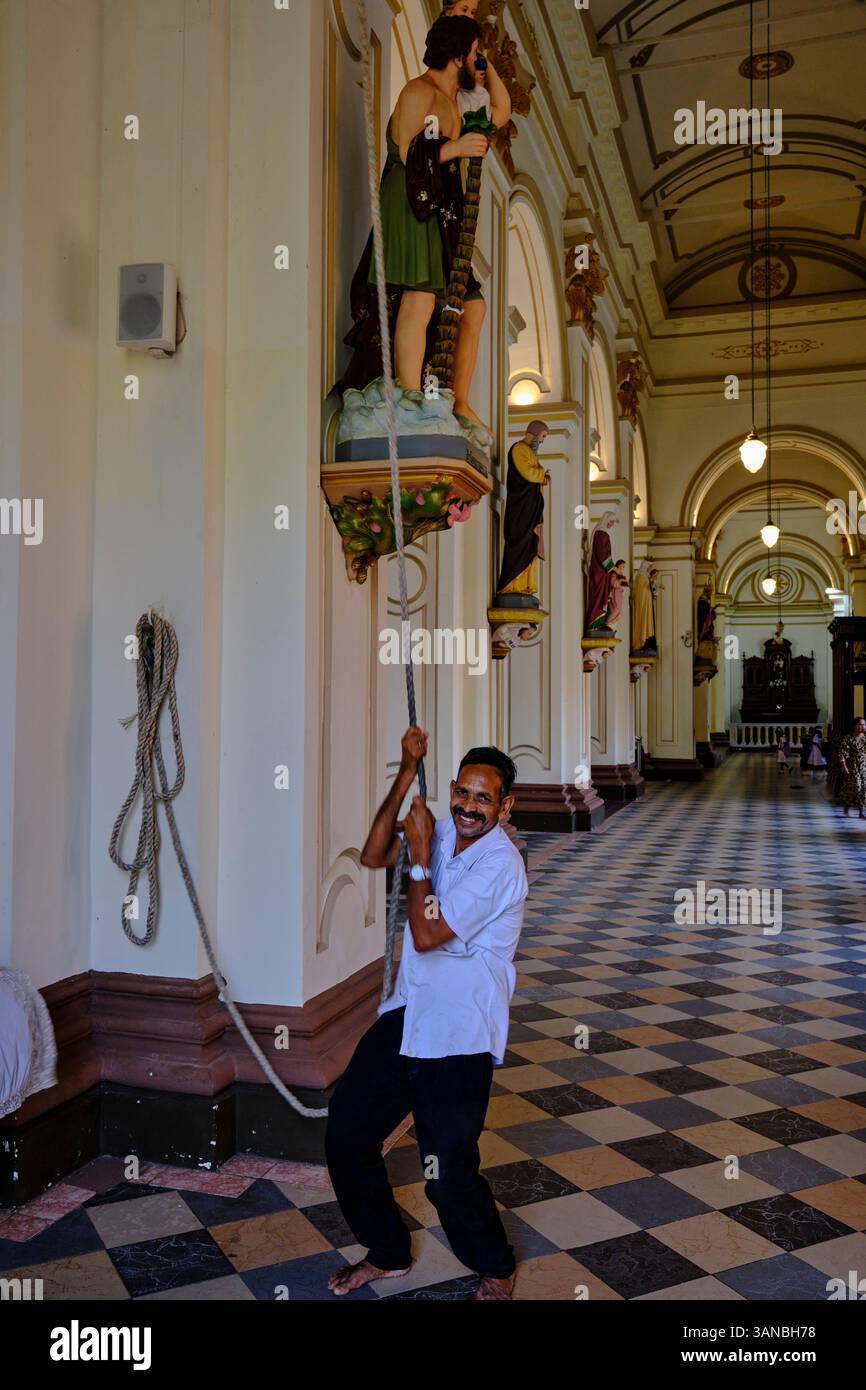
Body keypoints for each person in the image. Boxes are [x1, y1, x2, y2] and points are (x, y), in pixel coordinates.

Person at [325, 726, 528, 1301]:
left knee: (447, 1171)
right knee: (348, 1134)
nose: (469, 806)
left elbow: (428, 931)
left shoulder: (502, 864)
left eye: (484, 798)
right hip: (410, 1014)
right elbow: (370, 854)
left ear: (504, 805)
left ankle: (496, 1265)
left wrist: (418, 859)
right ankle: (386, 1249)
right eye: (462, 793)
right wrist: (406, 771)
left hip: (460, 1031)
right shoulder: (438, 834)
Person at [339, 15, 510, 434]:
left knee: (473, 305)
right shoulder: (419, 90)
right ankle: (411, 393)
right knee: (420, 298)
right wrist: (457, 148)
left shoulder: (456, 101)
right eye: (472, 54)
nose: (477, 61)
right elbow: (405, 147)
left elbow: (502, 113)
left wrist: (489, 66)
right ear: (456, 56)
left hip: (440, 212)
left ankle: (462, 400)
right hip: (410, 203)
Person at [495, 421, 550, 599]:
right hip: (520, 508)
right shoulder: (518, 449)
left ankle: (525, 585)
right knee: (520, 542)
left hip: (530, 506)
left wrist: (541, 476)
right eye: (542, 437)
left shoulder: (530, 453)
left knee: (530, 544)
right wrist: (541, 474)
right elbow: (527, 473)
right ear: (534, 433)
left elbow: (535, 474)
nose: (542, 441)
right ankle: (511, 585)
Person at [837, 717, 866, 818]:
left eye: (864, 725)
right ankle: (847, 805)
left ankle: (861, 812)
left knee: (864, 789)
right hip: (853, 766)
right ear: (855, 726)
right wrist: (843, 765)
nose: (863, 727)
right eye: (861, 724)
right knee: (856, 787)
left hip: (864, 767)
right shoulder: (848, 738)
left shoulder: (865, 738)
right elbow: (842, 753)